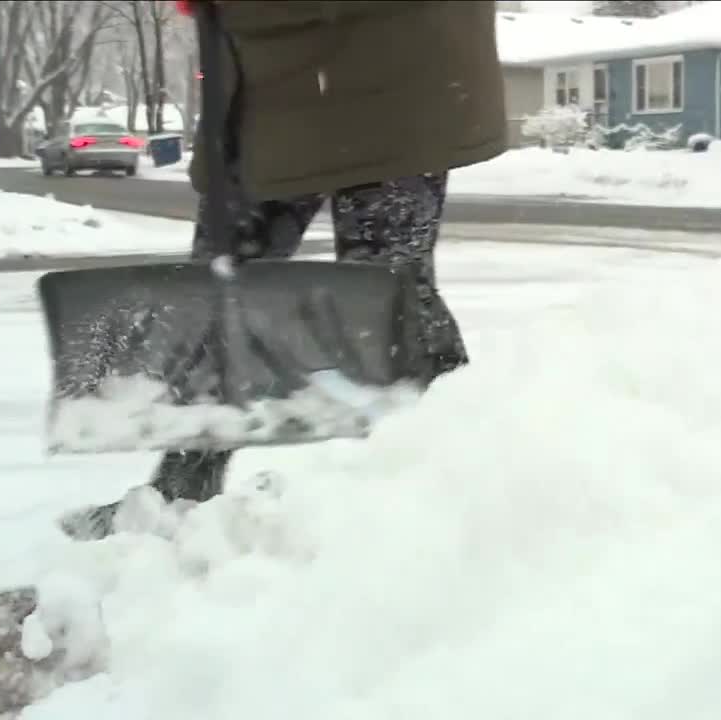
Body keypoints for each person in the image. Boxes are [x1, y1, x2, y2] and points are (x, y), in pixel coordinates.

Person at [60, 0, 507, 540]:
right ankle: (181, 493)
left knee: (388, 291)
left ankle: (460, 482)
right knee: (224, 282)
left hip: (394, 56)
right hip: (270, 69)